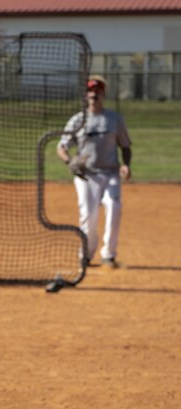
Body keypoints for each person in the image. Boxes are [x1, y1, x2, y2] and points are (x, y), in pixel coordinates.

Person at [57, 75, 133, 268]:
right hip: (86, 176)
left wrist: (126, 165)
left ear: (103, 94)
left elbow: (125, 145)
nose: (93, 95)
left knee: (114, 207)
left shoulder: (114, 119)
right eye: (90, 91)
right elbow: (61, 147)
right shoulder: (78, 120)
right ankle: (87, 253)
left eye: (97, 91)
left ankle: (109, 255)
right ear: (85, 95)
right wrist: (69, 161)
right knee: (88, 215)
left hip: (110, 173)